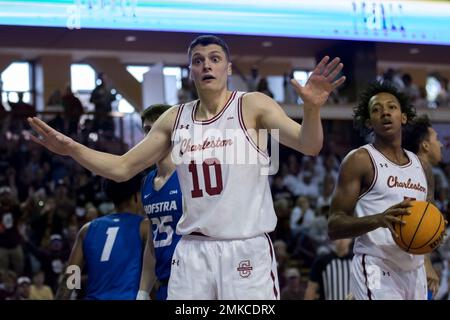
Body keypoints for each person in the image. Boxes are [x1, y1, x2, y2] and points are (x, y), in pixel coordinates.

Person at [28, 34, 345, 299]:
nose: (207, 64)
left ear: (228, 68)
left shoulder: (252, 105)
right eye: (198, 60)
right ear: (190, 70)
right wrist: (72, 149)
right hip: (192, 252)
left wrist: (312, 109)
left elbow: (309, 144)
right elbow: (123, 167)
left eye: (215, 58)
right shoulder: (174, 118)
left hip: (245, 249)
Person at [328, 81, 438, 300]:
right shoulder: (360, 160)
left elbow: (427, 222)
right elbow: (334, 226)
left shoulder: (422, 167)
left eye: (391, 107)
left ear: (403, 117)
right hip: (376, 265)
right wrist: (380, 219)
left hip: (413, 271)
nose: (385, 113)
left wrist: (428, 261)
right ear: (369, 122)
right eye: (377, 110)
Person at [55, 175, 155, 300]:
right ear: (136, 196)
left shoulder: (87, 229)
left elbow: (70, 277)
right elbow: (155, 272)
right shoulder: (144, 227)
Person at [138, 104, 183, 300]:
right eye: (147, 130)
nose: (151, 137)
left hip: (195, 282)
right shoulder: (147, 182)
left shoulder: (189, 174)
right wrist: (143, 291)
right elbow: (151, 242)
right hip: (164, 284)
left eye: (156, 129)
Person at [402, 114, 444, 297]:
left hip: (405, 260)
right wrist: (426, 264)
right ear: (425, 145)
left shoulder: (419, 169)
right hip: (403, 263)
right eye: (436, 139)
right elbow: (418, 225)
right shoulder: (417, 168)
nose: (441, 144)